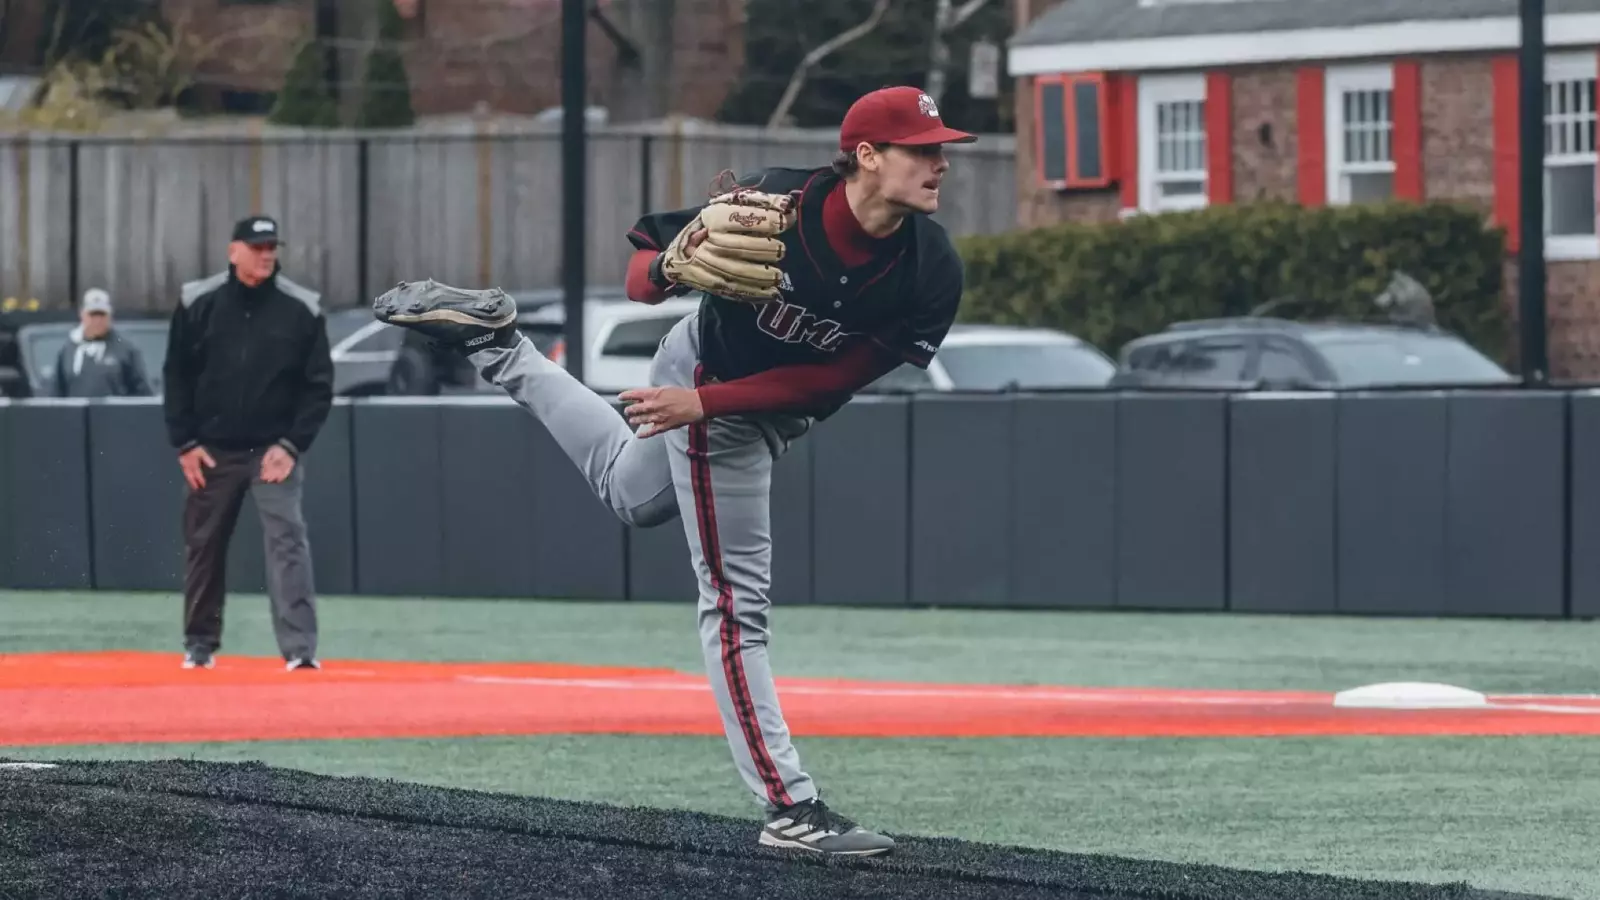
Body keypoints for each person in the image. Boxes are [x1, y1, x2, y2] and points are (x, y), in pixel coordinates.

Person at [373, 86, 972, 856]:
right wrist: (668, 266)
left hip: (734, 399)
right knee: (734, 603)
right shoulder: (777, 201)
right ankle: (790, 806)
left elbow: (833, 380)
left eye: (941, 149)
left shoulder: (931, 268)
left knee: (631, 493)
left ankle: (498, 347)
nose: (940, 163)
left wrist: (703, 404)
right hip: (706, 377)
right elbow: (639, 275)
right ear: (867, 156)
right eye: (922, 149)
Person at [162, 215, 334, 672]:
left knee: (288, 542)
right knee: (204, 545)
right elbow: (176, 375)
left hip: (272, 452)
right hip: (211, 449)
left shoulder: (302, 307)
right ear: (233, 250)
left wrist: (292, 445)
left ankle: (300, 650)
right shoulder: (198, 301)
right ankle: (199, 644)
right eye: (257, 247)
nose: (266, 254)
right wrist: (185, 442)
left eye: (271, 247)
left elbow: (318, 387)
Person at [52, 288, 153, 398]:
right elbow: (57, 393)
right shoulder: (68, 350)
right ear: (82, 315)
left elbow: (143, 394)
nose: (97, 320)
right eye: (93, 315)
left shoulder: (126, 350)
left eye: (102, 315)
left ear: (110, 316)